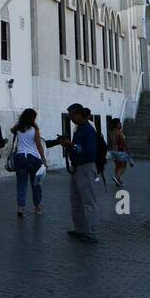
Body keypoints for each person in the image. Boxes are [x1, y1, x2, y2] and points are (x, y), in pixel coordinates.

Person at [49, 103, 101, 244]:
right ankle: (81, 229)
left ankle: (91, 232)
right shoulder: (79, 129)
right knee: (76, 200)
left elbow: (89, 151)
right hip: (77, 167)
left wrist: (71, 145)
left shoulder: (88, 130)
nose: (71, 118)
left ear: (79, 114)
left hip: (86, 166)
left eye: (72, 115)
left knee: (88, 201)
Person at [9, 108, 47, 218]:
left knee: (21, 183)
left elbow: (12, 130)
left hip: (20, 157)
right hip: (33, 158)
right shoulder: (34, 129)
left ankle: (21, 208)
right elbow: (39, 145)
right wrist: (43, 159)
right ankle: (38, 207)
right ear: (32, 118)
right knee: (36, 183)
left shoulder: (18, 128)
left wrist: (19, 124)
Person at [108, 119, 132, 187]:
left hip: (113, 151)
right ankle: (117, 177)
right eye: (119, 124)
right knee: (123, 166)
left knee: (117, 166)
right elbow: (123, 143)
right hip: (120, 151)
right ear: (116, 125)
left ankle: (118, 180)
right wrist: (128, 151)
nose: (120, 125)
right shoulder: (119, 133)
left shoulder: (112, 132)